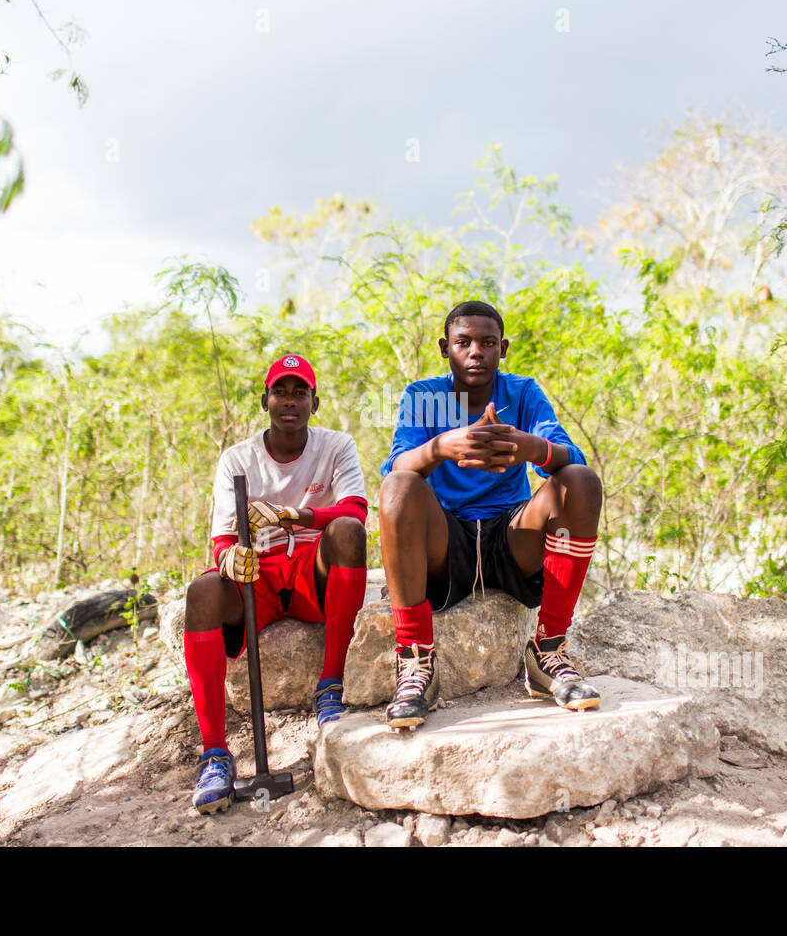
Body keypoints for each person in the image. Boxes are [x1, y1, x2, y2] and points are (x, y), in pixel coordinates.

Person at [378, 300, 603, 730]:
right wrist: (441, 447)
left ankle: (548, 650)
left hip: (511, 537)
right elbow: (394, 470)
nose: (476, 351)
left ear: (504, 348)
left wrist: (530, 447)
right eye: (463, 342)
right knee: (399, 488)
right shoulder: (423, 396)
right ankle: (415, 659)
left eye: (487, 342)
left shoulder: (522, 392)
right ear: (445, 348)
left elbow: (569, 455)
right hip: (447, 540)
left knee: (581, 480)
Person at [183, 354, 368, 813]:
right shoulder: (237, 459)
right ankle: (215, 756)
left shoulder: (336, 445)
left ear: (315, 401)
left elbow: (356, 511)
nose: (290, 401)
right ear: (264, 400)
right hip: (258, 579)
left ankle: (329, 688)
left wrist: (296, 516)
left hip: (311, 570)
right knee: (201, 592)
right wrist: (231, 560)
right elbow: (223, 539)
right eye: (280, 391)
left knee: (347, 533)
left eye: (299, 392)